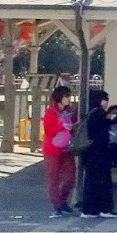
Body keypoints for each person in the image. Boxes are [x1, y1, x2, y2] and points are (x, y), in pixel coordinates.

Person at [80, 90, 117, 219]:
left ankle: (90, 209)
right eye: (105, 99)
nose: (106, 102)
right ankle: (103, 208)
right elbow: (112, 120)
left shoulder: (92, 113)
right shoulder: (98, 113)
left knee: (92, 181)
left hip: (91, 153)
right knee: (102, 181)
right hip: (99, 153)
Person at [41, 85, 77, 217]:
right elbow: (48, 130)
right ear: (59, 98)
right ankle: (56, 205)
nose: (69, 99)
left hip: (67, 148)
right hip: (52, 149)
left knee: (70, 176)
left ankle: (62, 200)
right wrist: (62, 125)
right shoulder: (50, 112)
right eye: (66, 96)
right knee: (54, 178)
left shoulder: (70, 111)